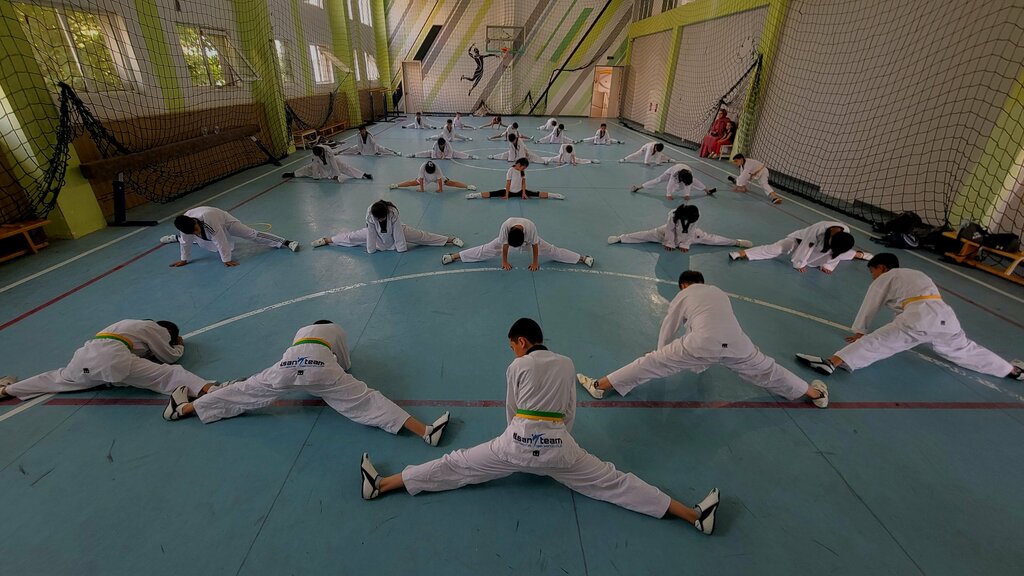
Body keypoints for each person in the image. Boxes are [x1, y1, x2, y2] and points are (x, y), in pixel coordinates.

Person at [359, 318, 722, 536]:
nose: (513, 352)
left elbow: (512, 410)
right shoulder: (566, 363)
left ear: (522, 341)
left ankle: (382, 486)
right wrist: (556, 445)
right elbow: (568, 413)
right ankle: (694, 516)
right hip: (561, 451)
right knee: (615, 483)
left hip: (513, 444)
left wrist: (514, 451)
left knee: (456, 466)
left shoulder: (518, 367)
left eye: (513, 345)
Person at [163, 321, 452, 447]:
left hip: (286, 367)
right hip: (321, 368)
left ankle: (185, 408)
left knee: (246, 389)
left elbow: (298, 363)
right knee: (366, 400)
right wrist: (331, 386)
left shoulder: (301, 332)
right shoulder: (337, 330)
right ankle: (425, 432)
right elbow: (346, 362)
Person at [576, 271, 829, 407]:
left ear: (683, 285)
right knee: (769, 370)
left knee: (650, 363)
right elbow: (718, 324)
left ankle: (599, 387)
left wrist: (661, 352)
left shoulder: (685, 295)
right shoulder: (718, 292)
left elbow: (669, 325)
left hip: (700, 344)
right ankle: (815, 394)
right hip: (739, 345)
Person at [795, 253, 1024, 380]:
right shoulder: (916, 274)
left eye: (872, 271)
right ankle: (1011, 371)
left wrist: (860, 331)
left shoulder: (888, 276)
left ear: (882, 267)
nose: (873, 276)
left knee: (878, 342)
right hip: (946, 318)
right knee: (965, 350)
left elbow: (871, 303)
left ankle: (832, 363)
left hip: (919, 318)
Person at [0, 319, 216, 401]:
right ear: (166, 331)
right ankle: (211, 391)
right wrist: (178, 344)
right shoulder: (155, 328)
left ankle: (6, 390)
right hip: (112, 360)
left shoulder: (125, 325)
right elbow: (167, 357)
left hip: (83, 359)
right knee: (171, 374)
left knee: (54, 378)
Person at [162, 206, 299, 268]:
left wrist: (226, 260)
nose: (195, 233)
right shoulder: (186, 227)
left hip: (225, 221)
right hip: (203, 230)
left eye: (196, 230)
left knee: (251, 234)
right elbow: (186, 242)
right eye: (192, 233)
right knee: (197, 240)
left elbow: (220, 240)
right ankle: (176, 237)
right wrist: (184, 259)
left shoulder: (207, 218)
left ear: (195, 222)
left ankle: (285, 242)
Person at [441, 217, 593, 270]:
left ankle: (583, 258)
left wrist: (535, 263)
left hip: (529, 242)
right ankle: (453, 256)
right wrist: (505, 261)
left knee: (553, 251)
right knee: (486, 249)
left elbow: (534, 246)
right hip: (509, 241)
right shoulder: (506, 226)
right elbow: (505, 246)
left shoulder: (530, 227)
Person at [311, 200, 463, 252]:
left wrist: (401, 249)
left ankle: (450, 239)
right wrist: (371, 250)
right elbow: (370, 233)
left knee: (421, 236)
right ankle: (327, 240)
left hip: (397, 231)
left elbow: (397, 233)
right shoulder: (370, 215)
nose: (381, 218)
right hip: (376, 235)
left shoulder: (393, 212)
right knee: (352, 236)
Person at [729, 221, 870, 274]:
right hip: (798, 242)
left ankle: (859, 254)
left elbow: (836, 252)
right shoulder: (819, 228)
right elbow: (805, 248)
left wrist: (828, 265)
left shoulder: (844, 236)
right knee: (777, 249)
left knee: (838, 254)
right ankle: (742, 253)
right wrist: (799, 263)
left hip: (821, 249)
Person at [608, 204, 752, 252]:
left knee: (710, 239)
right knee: (646, 235)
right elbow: (670, 230)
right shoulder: (673, 215)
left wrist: (685, 244)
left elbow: (690, 232)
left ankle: (736, 242)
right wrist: (670, 243)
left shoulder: (695, 215)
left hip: (686, 237)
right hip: (666, 234)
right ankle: (621, 238)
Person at [466, 158, 564, 200]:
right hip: (510, 191)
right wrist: (507, 195)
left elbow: (523, 182)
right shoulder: (511, 170)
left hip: (520, 191)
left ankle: (554, 195)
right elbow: (508, 184)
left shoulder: (522, 171)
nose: (524, 169)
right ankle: (475, 195)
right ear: (518, 164)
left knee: (536, 193)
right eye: (523, 167)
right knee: (493, 193)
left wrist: (524, 192)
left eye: (525, 168)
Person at [283, 143, 374, 181]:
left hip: (333, 163)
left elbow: (333, 163)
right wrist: (315, 177)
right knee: (308, 168)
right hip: (322, 166)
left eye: (320, 154)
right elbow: (315, 165)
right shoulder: (315, 152)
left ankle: (363, 175)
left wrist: (336, 174)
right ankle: (293, 174)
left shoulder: (327, 149)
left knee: (346, 167)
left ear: (322, 151)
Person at [630, 163, 716, 200]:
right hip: (669, 173)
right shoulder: (675, 174)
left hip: (683, 173)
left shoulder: (689, 175)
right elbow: (670, 184)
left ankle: (707, 190)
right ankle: (639, 187)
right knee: (658, 180)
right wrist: (668, 194)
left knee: (694, 181)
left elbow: (690, 184)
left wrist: (687, 194)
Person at [389, 161, 478, 193]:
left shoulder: (437, 167)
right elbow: (421, 178)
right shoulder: (422, 167)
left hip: (436, 178)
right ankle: (396, 185)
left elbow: (439, 179)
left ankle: (468, 186)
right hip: (426, 178)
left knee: (451, 183)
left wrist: (440, 189)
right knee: (411, 182)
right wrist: (422, 189)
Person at [407, 137, 478, 160]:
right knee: (426, 153)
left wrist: (447, 157)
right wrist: (434, 157)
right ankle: (413, 155)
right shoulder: (435, 144)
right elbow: (433, 151)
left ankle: (471, 156)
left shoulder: (447, 143)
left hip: (447, 154)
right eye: (441, 145)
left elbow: (450, 151)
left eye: (443, 145)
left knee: (457, 153)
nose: (442, 146)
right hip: (437, 154)